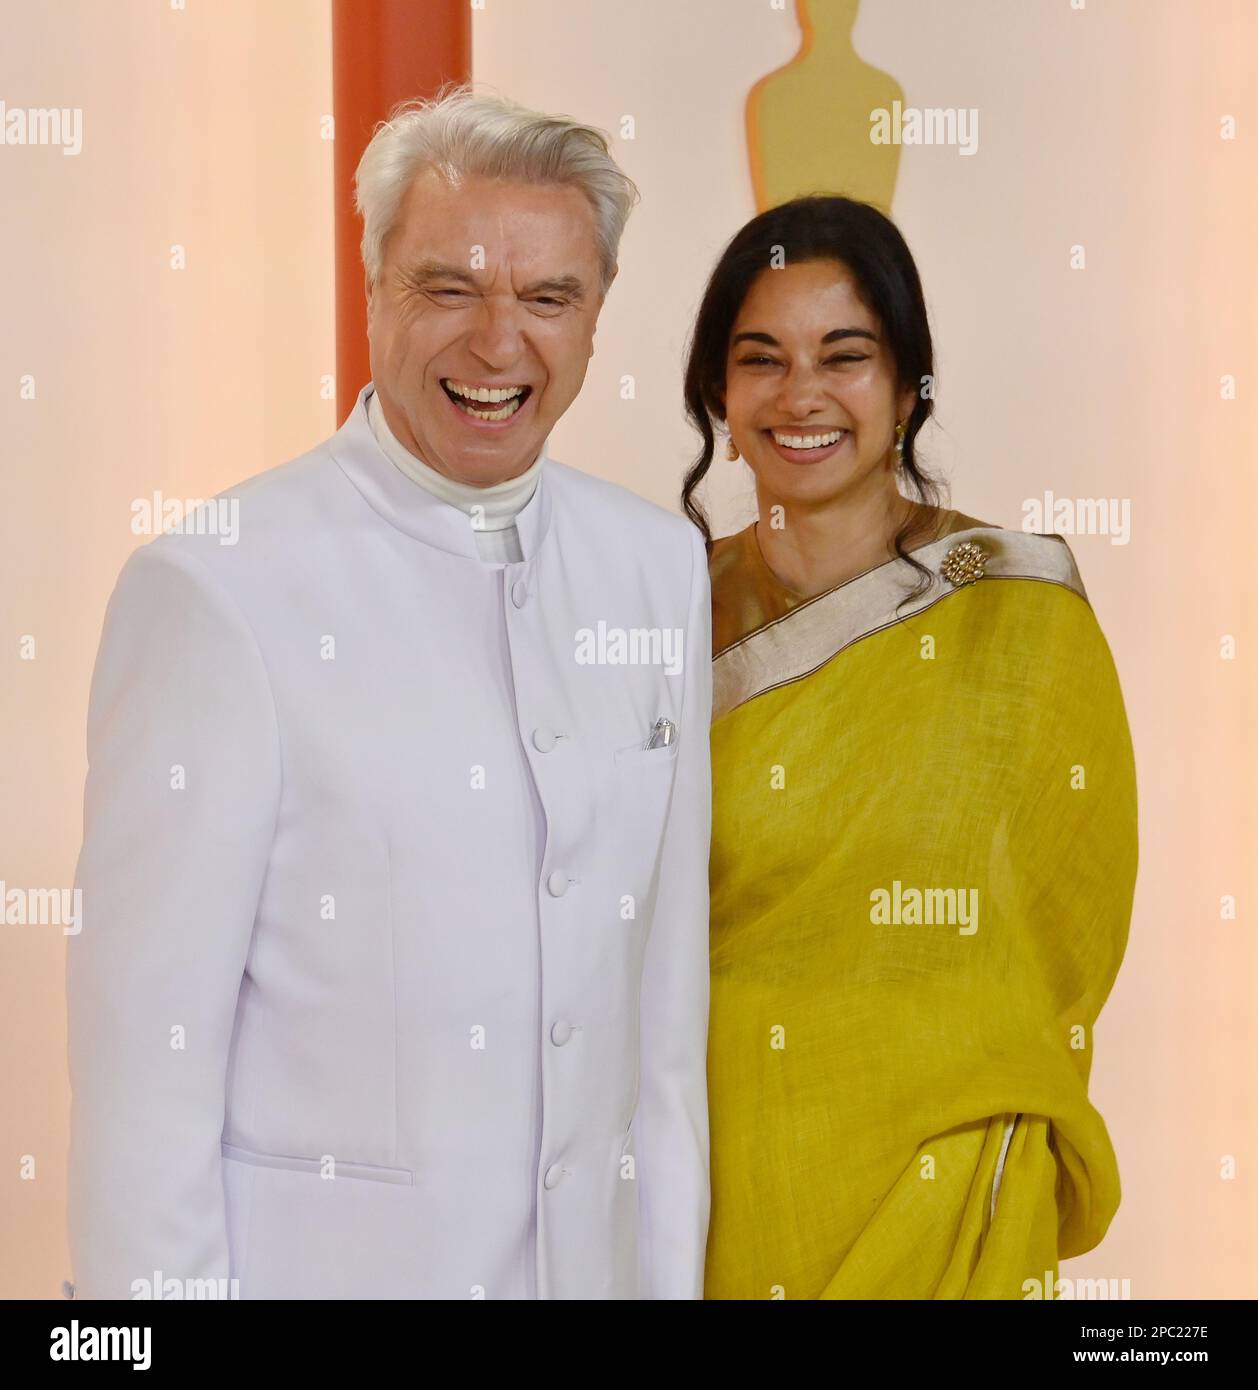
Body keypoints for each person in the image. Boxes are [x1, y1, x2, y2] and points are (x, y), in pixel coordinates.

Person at [65, 85, 712, 1301]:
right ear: (371, 289)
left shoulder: (655, 566)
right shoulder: (215, 589)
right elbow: (143, 1079)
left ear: (596, 317)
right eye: (449, 287)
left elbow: (663, 1045)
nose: (498, 340)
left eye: (547, 297)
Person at [682, 195, 1137, 1299]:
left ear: (905, 390)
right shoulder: (657, 613)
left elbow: (1070, 920)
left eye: (845, 356)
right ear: (718, 397)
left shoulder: (1016, 604)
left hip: (949, 1185)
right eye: (761, 360)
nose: (801, 396)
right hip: (718, 1186)